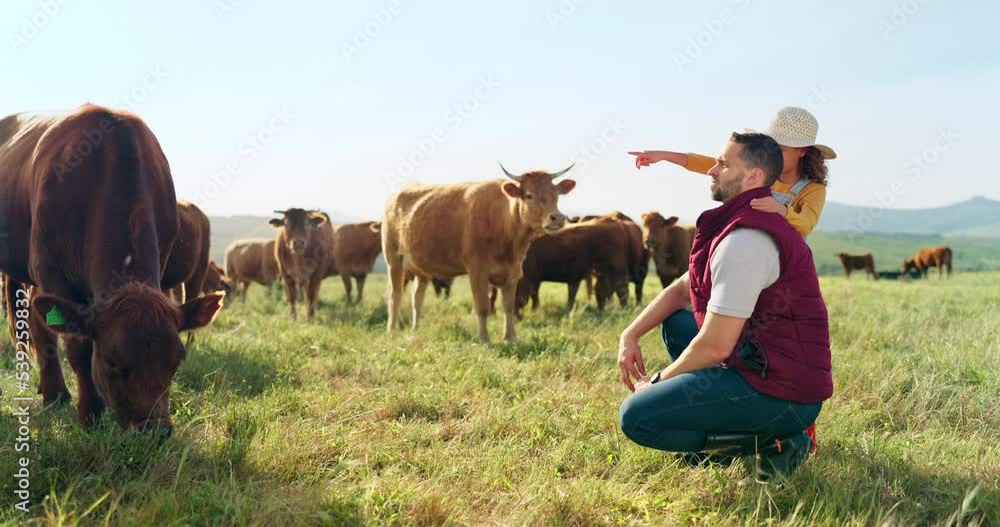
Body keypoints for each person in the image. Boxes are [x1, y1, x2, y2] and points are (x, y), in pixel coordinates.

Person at [617, 131, 833, 482]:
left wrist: (656, 382)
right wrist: (630, 334)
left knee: (637, 416)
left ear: (753, 177)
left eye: (722, 164)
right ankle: (728, 414)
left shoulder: (746, 240)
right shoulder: (734, 224)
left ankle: (777, 441)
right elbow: (681, 290)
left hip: (783, 391)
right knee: (676, 323)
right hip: (759, 359)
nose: (711, 170)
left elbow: (715, 344)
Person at [628, 106, 835, 237]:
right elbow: (711, 164)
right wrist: (664, 155)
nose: (774, 155)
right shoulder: (760, 169)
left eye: (781, 150)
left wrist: (781, 210)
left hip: (783, 256)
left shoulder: (813, 189)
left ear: (802, 151)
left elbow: (806, 225)